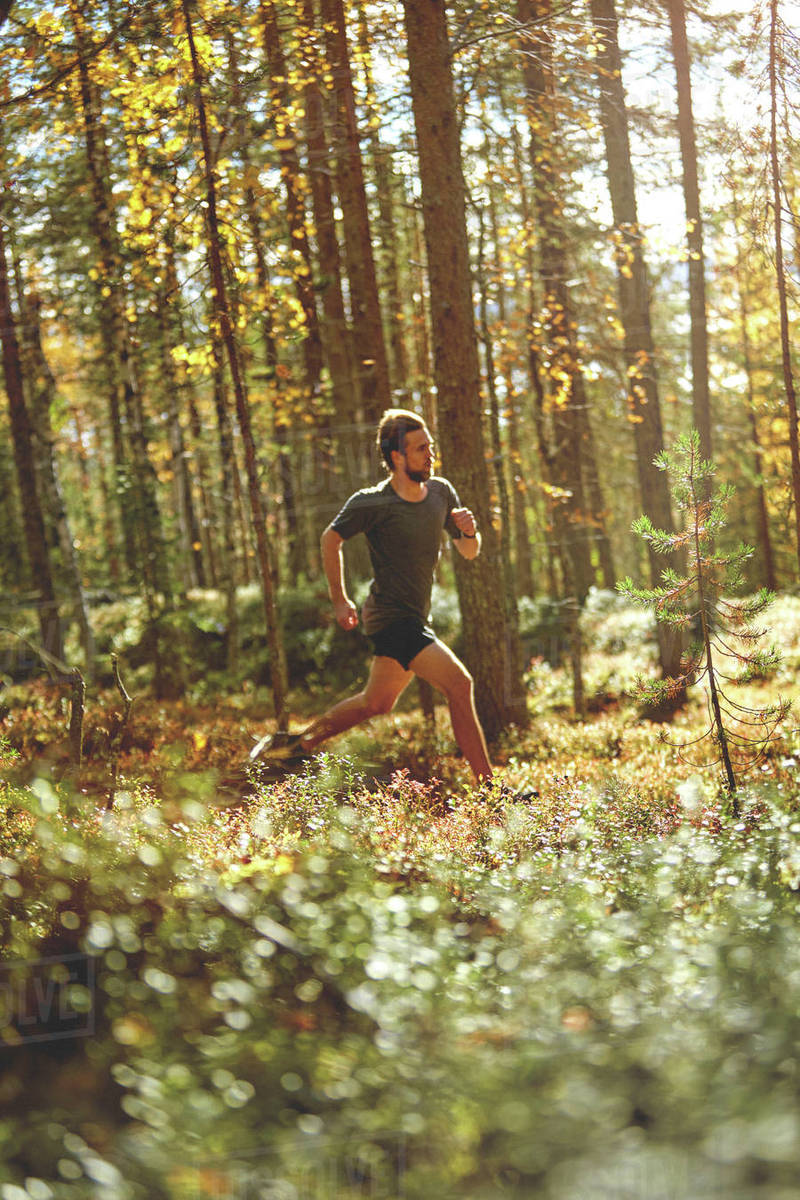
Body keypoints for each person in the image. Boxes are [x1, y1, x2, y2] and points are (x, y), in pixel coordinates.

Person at [253, 408, 498, 784]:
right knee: (460, 684)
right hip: (389, 618)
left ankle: (295, 747)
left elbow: (470, 552)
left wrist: (469, 531)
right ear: (397, 457)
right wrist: (339, 598)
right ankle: (490, 791)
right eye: (420, 449)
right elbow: (330, 539)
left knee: (376, 702)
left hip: (416, 617)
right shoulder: (373, 502)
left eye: (429, 447)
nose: (429, 455)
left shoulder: (441, 492)